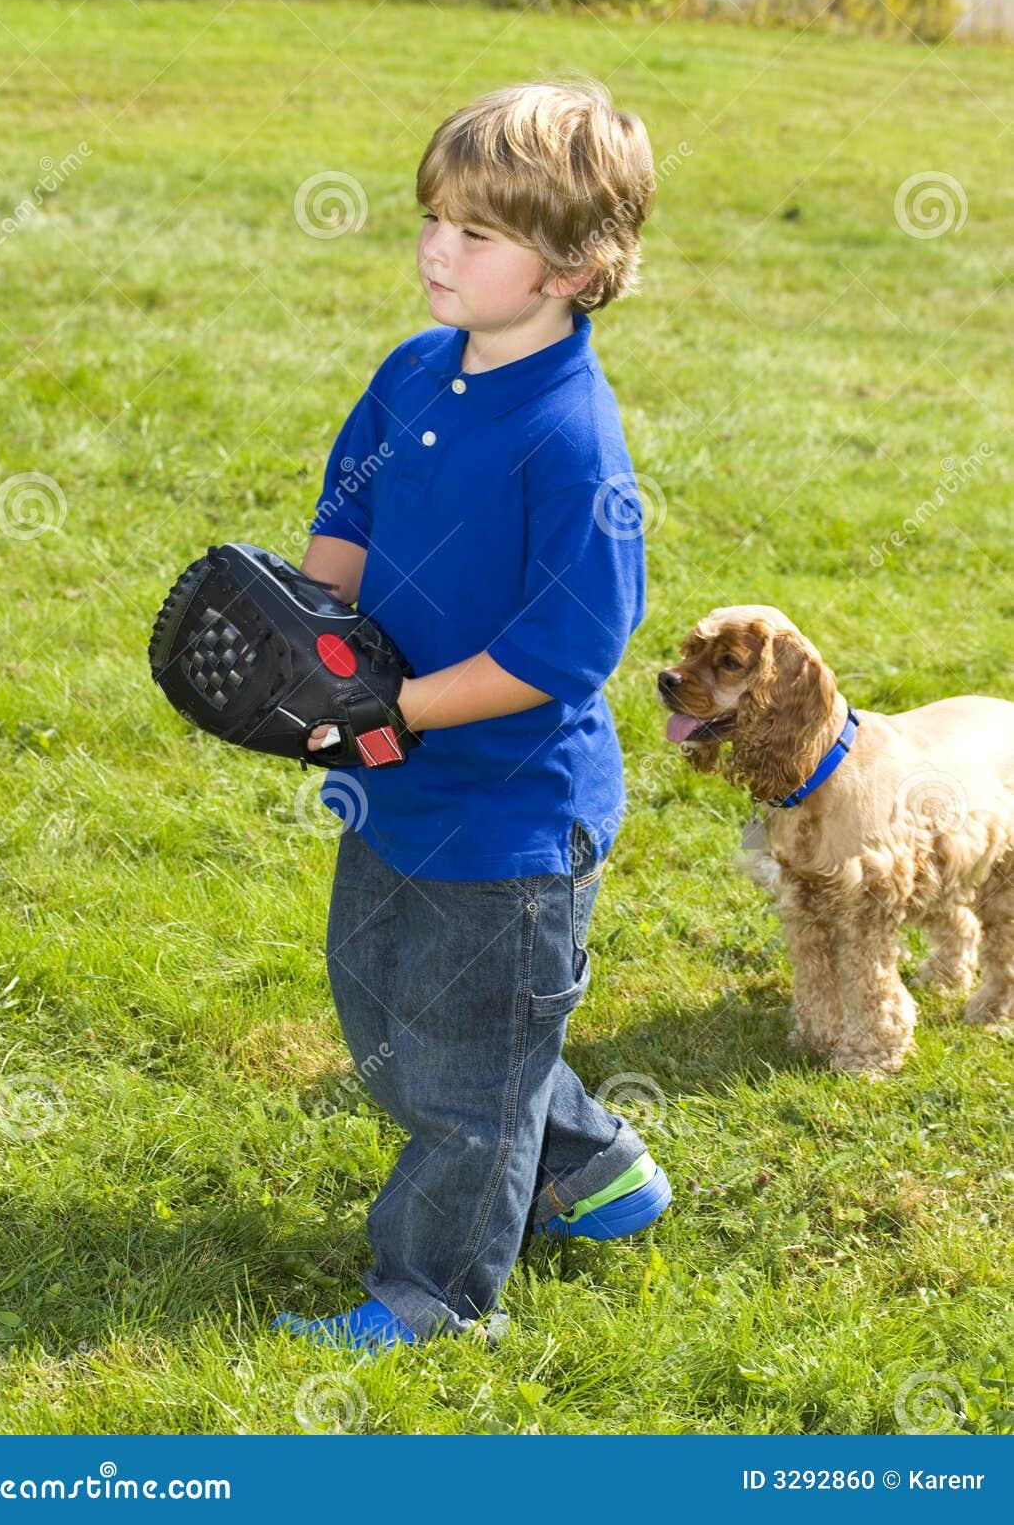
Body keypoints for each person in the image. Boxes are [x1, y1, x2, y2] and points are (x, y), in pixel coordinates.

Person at [273, 79, 671, 1353]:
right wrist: (310, 634)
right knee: (388, 1020)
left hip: (509, 821)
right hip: (391, 784)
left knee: (460, 1089)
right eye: (433, 217)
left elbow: (559, 652)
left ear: (574, 267)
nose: (436, 248)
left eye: (476, 233)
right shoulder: (415, 368)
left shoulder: (571, 444)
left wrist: (394, 702)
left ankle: (432, 1298)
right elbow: (349, 508)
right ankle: (595, 1165)